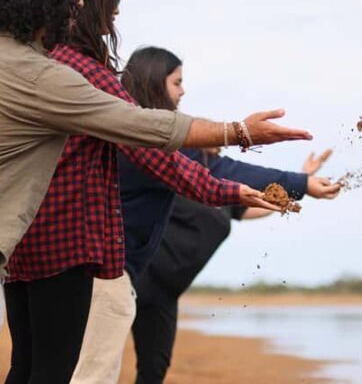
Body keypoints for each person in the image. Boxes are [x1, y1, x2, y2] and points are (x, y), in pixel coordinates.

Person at [0, 0, 311, 383]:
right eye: (77, 0)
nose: (85, 9)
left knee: (17, 369)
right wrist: (238, 132)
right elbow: (145, 133)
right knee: (38, 372)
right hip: (12, 247)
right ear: (57, 0)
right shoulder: (48, 72)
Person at [3, 0, 291, 382]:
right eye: (111, 4)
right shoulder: (89, 75)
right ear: (83, 2)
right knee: (56, 372)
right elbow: (158, 152)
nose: (115, 15)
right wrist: (235, 146)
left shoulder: (39, 62)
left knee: (26, 368)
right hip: (68, 249)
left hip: (21, 242)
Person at [69, 45, 340, 384]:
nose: (183, 91)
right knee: (92, 375)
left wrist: (297, 189)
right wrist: (301, 182)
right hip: (112, 274)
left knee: (144, 371)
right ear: (155, 82)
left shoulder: (172, 156)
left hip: (151, 286)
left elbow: (244, 199)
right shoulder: (149, 141)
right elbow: (229, 170)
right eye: (177, 82)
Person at [132, 149, 330, 384]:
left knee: (154, 369)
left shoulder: (222, 192)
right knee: (98, 357)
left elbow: (256, 206)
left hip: (167, 294)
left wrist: (302, 179)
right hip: (137, 277)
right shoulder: (176, 179)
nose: (217, 150)